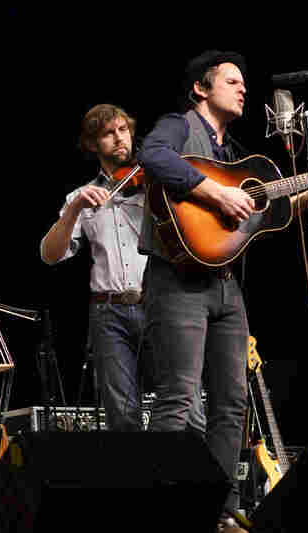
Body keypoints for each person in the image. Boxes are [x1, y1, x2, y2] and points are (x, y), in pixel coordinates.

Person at [137, 50, 308, 531]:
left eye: (244, 82)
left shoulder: (234, 155)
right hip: (178, 283)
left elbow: (263, 216)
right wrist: (215, 193)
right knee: (178, 398)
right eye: (232, 81)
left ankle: (219, 507)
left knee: (232, 402)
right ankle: (162, 509)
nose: (244, 88)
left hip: (227, 288)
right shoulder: (178, 125)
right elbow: (152, 157)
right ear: (201, 89)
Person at [40, 104, 206, 432]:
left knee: (186, 410)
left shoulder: (156, 185)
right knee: (122, 418)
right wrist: (74, 209)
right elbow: (50, 254)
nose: (119, 139)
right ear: (91, 144)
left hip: (160, 304)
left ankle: (191, 480)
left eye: (123, 130)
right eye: (107, 134)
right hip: (109, 315)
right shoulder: (83, 198)